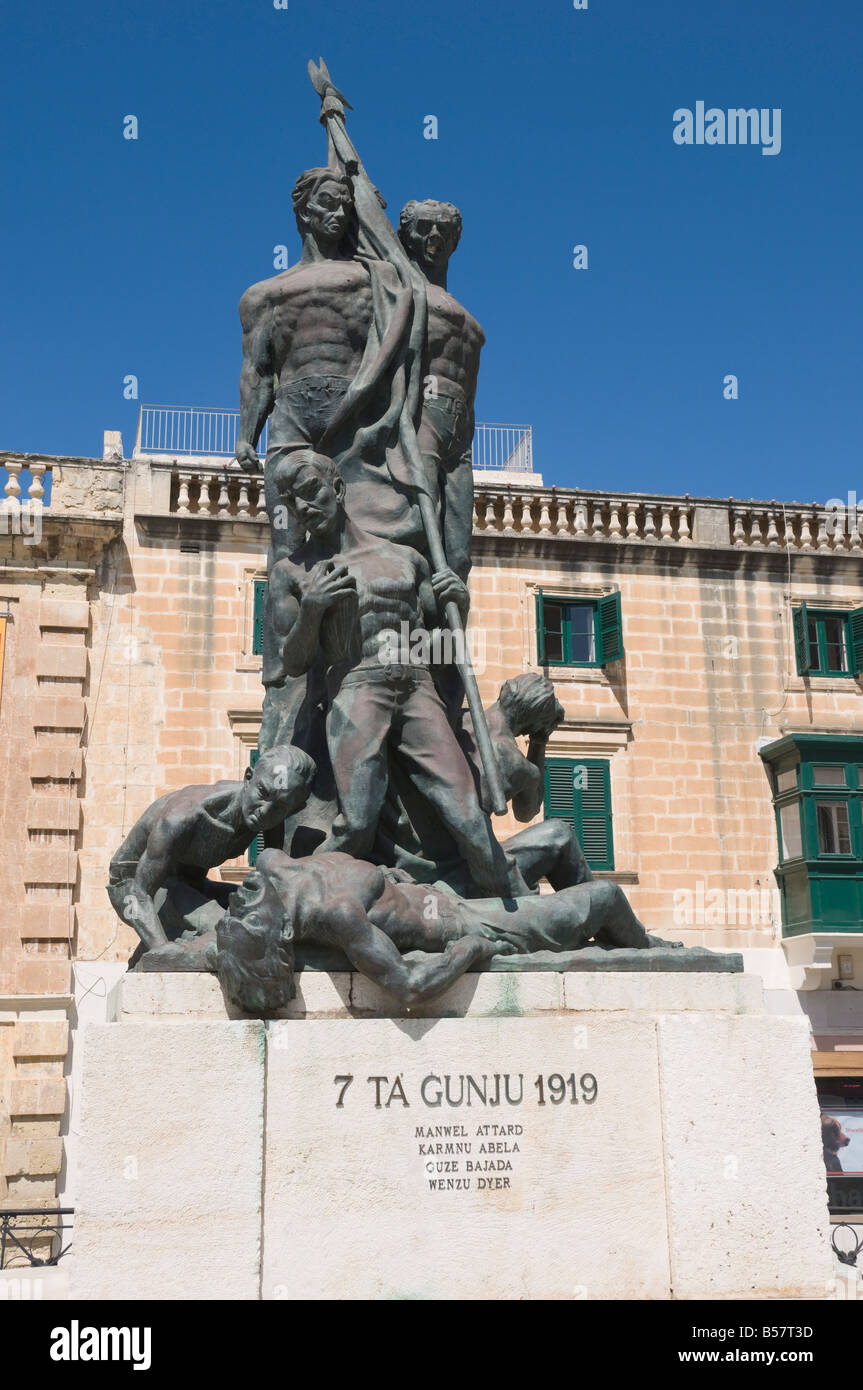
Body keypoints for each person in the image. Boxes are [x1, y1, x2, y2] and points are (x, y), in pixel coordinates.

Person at [266, 449, 530, 898]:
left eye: (311, 491)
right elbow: (292, 663)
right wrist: (312, 610)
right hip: (355, 687)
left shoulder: (405, 558)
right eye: (293, 501)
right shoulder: (292, 573)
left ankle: (514, 905)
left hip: (417, 685)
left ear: (338, 488)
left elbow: (440, 634)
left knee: (467, 810)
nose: (305, 506)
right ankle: (291, 898)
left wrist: (457, 602)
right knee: (357, 824)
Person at [106, 746, 315, 953]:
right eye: (263, 792)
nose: (265, 811)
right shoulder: (184, 816)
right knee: (230, 925)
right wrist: (161, 949)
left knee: (259, 913)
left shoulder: (270, 818)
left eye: (280, 807)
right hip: (134, 888)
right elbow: (137, 895)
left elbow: (271, 885)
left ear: (292, 810)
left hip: (191, 885)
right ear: (248, 777)